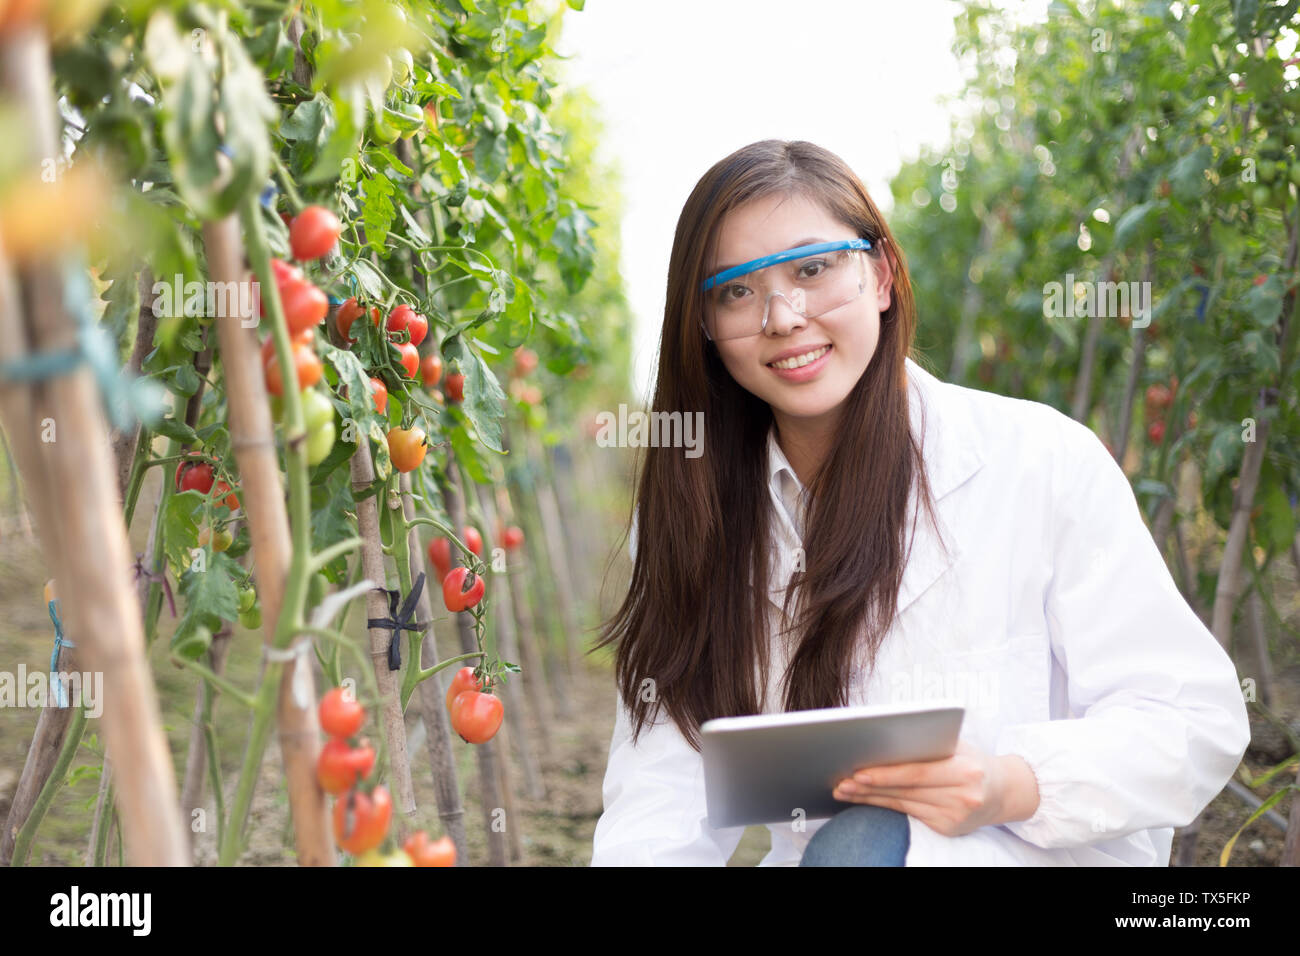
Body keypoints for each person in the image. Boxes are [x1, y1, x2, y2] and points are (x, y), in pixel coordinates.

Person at [588, 139, 1250, 867]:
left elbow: (1192, 717)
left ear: (882, 274)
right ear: (706, 328)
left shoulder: (1038, 461)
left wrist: (1012, 785)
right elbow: (663, 791)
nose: (781, 316)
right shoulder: (701, 514)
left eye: (812, 269)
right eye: (736, 291)